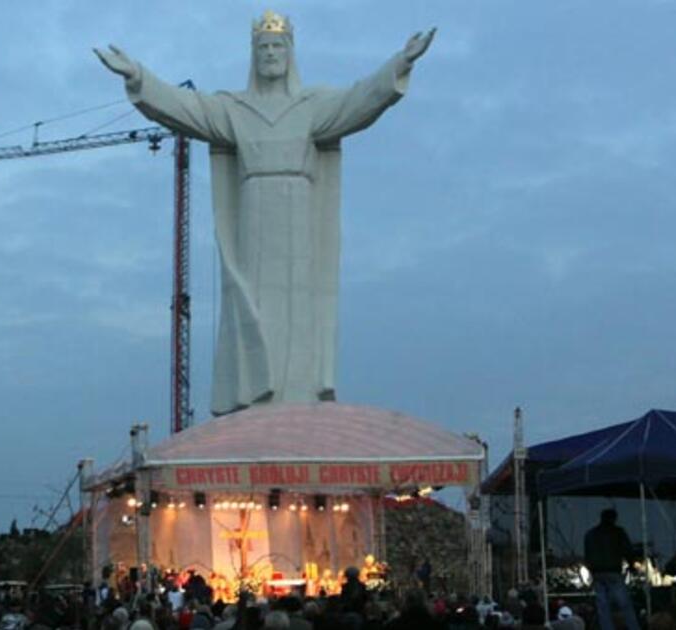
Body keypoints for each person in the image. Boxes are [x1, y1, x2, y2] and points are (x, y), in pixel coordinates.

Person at [95, 10, 436, 415]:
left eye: (278, 47)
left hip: (300, 216)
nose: (270, 54)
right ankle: (257, 395)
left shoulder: (313, 106)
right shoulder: (235, 109)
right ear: (253, 57)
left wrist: (400, 63)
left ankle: (299, 396)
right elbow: (187, 109)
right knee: (253, 306)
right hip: (254, 216)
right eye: (263, 48)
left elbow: (359, 101)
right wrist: (138, 77)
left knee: (300, 309)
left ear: (290, 54)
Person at [584, 508, 641, 630]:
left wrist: (591, 570)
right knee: (624, 604)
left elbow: (587, 555)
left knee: (603, 607)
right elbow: (627, 550)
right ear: (613, 518)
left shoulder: (591, 534)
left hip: (597, 573)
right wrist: (632, 565)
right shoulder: (617, 533)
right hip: (613, 571)